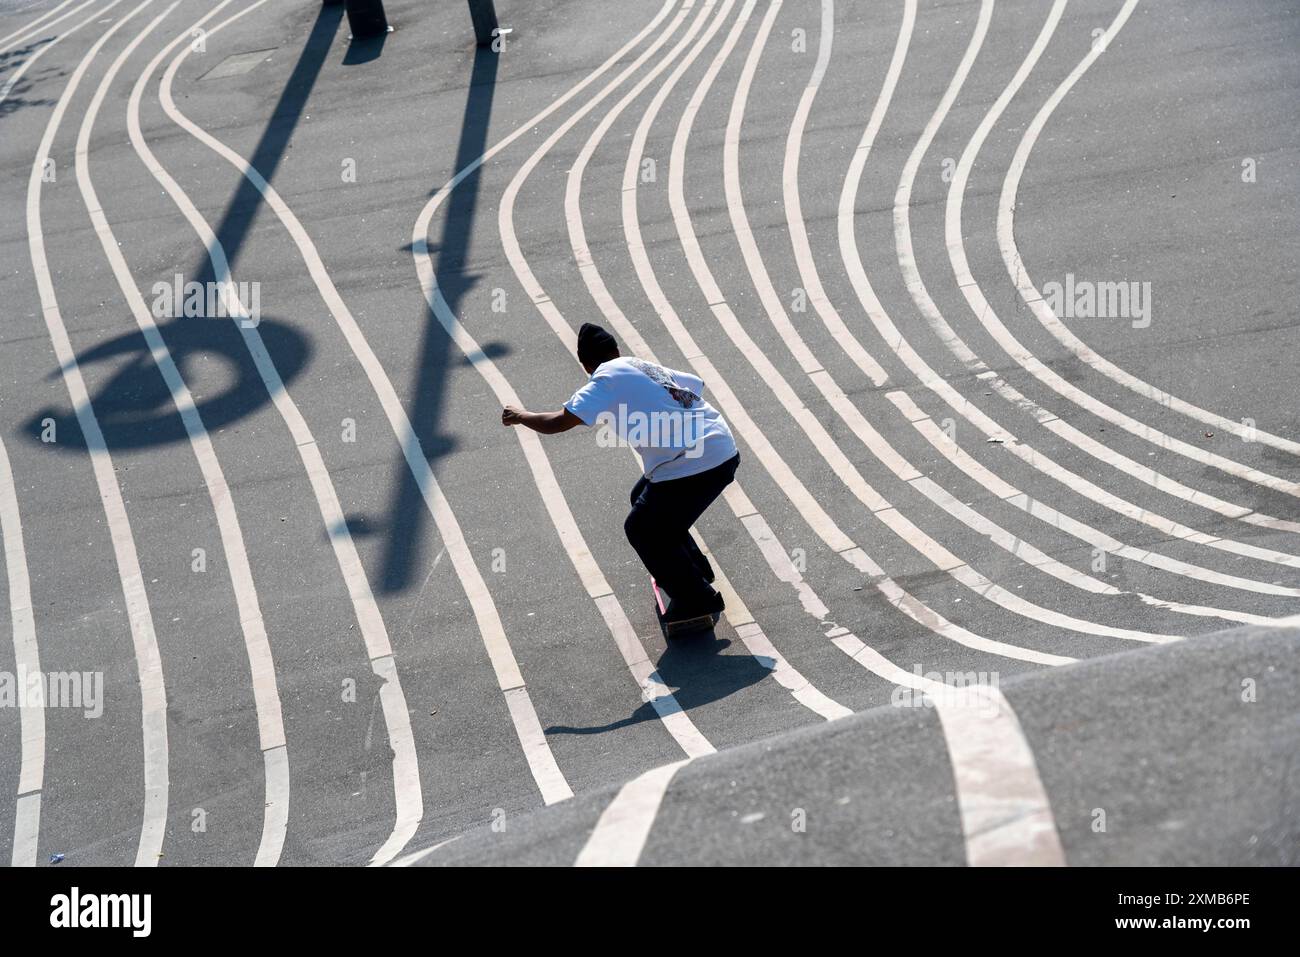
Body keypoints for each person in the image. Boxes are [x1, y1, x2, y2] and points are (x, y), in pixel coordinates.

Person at [501, 323, 739, 622]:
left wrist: (521, 416)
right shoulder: (638, 364)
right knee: (643, 498)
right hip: (720, 446)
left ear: (586, 364)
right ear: (616, 350)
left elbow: (557, 423)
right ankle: (695, 571)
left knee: (640, 528)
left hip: (694, 463)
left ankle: (697, 599)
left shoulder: (604, 379)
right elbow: (694, 384)